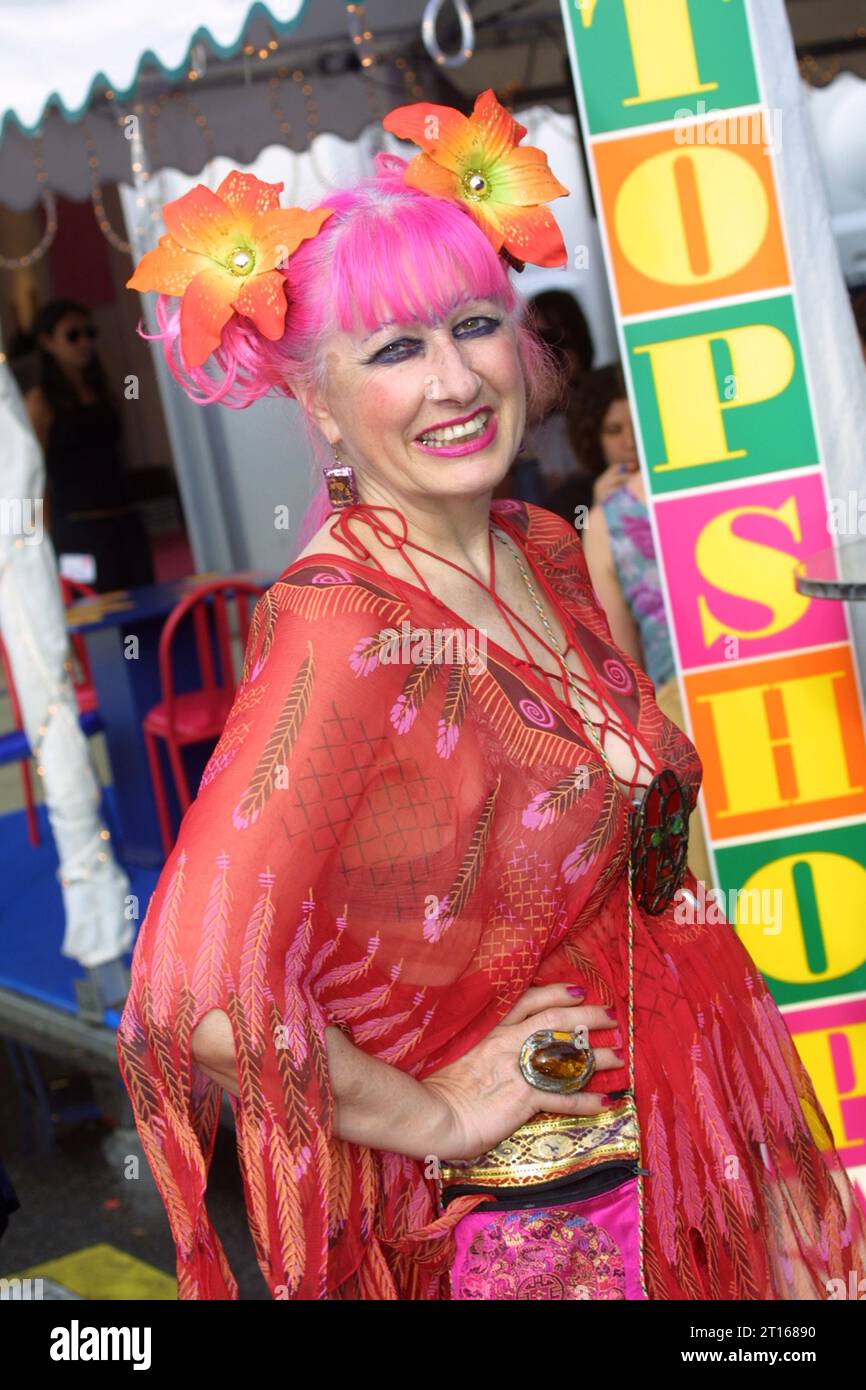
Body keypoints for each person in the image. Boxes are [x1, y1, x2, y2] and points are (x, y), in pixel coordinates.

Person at [118, 90, 866, 1301]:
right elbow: (192, 994)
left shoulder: (537, 545)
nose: (456, 379)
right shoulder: (343, 624)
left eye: (472, 325)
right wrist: (427, 1114)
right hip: (554, 1222)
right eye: (395, 350)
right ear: (316, 402)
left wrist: (761, 1173)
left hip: (691, 1135)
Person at [24, 299, 154, 592]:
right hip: (78, 528)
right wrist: (39, 538)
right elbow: (34, 475)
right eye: (72, 335)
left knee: (143, 606)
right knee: (96, 618)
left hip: (124, 520)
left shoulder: (102, 390)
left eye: (89, 333)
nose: (84, 342)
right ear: (47, 342)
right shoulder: (40, 402)